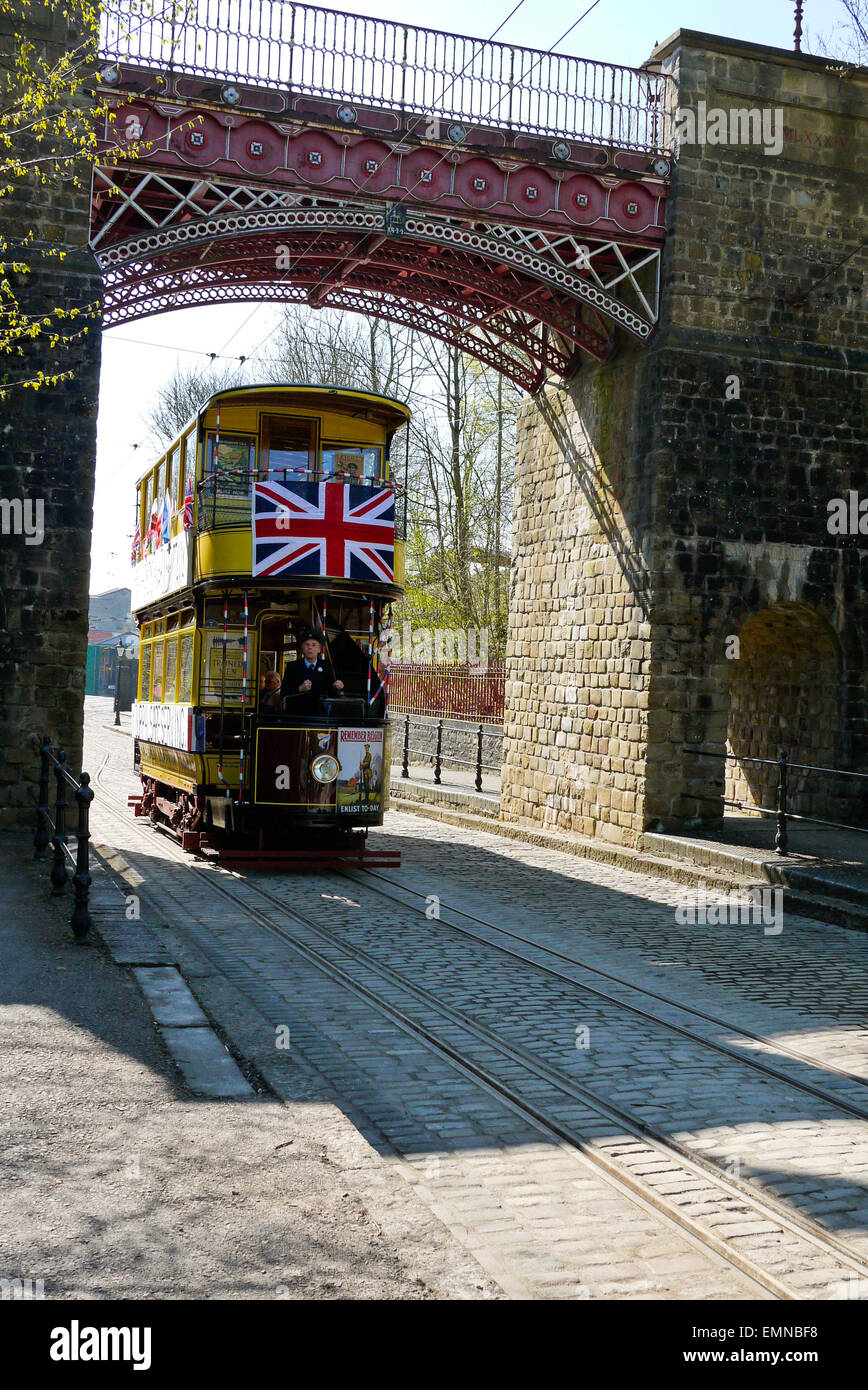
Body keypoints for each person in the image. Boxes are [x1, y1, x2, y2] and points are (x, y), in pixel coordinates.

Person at [280, 628, 344, 715]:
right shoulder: (292, 666)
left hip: (318, 717)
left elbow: (331, 693)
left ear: (319, 649)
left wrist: (337, 687)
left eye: (314, 645)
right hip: (296, 716)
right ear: (302, 648)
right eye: (307, 644)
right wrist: (300, 689)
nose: (310, 647)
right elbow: (283, 693)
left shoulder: (326, 666)